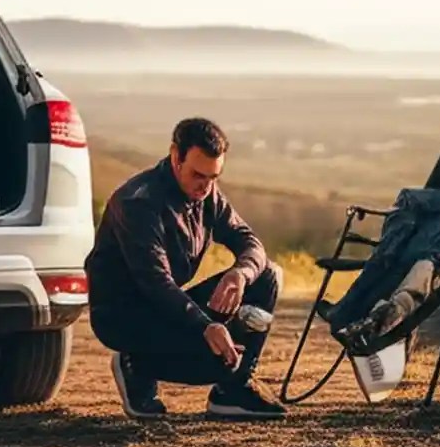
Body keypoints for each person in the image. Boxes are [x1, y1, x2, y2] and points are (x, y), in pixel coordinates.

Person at [84, 117, 287, 419]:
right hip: (124, 316)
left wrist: (240, 274)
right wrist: (206, 326)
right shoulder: (138, 203)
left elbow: (250, 242)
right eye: (197, 175)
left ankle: (232, 391)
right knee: (216, 361)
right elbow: (155, 281)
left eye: (213, 177)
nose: (205, 186)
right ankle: (135, 364)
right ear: (175, 156)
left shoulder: (206, 193)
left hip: (165, 306)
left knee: (266, 274)